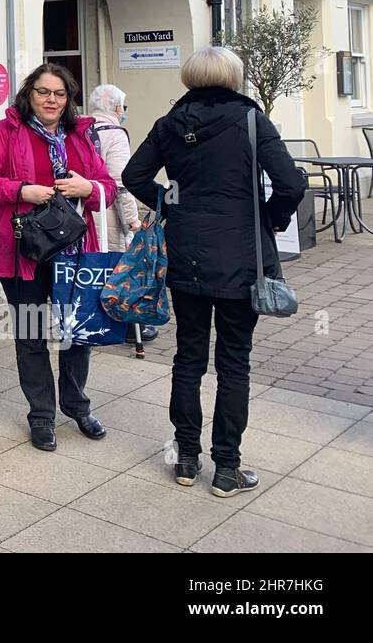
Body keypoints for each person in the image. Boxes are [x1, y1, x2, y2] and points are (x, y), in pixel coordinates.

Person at [123, 46, 304, 497]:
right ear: (233, 78)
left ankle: (186, 457)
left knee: (188, 356)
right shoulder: (250, 121)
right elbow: (291, 184)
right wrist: (271, 219)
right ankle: (227, 468)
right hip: (242, 257)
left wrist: (170, 201)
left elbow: (134, 174)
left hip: (185, 254)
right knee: (233, 362)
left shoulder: (170, 124)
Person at [0, 64, 118, 451]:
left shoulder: (81, 137)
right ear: (29, 94)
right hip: (24, 255)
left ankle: (76, 405)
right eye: (43, 92)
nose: (52, 100)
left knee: (76, 335)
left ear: (69, 99)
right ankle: (42, 416)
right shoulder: (4, 133)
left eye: (60, 93)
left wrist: (89, 187)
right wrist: (23, 191)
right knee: (32, 334)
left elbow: (108, 188)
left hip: (74, 255)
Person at [85, 84, 157, 348]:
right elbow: (121, 183)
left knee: (89, 268)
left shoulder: (81, 129)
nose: (123, 112)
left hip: (84, 211)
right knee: (118, 269)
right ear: (116, 108)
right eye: (123, 107)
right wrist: (132, 221)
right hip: (108, 214)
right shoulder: (115, 134)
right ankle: (125, 326)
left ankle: (88, 319)